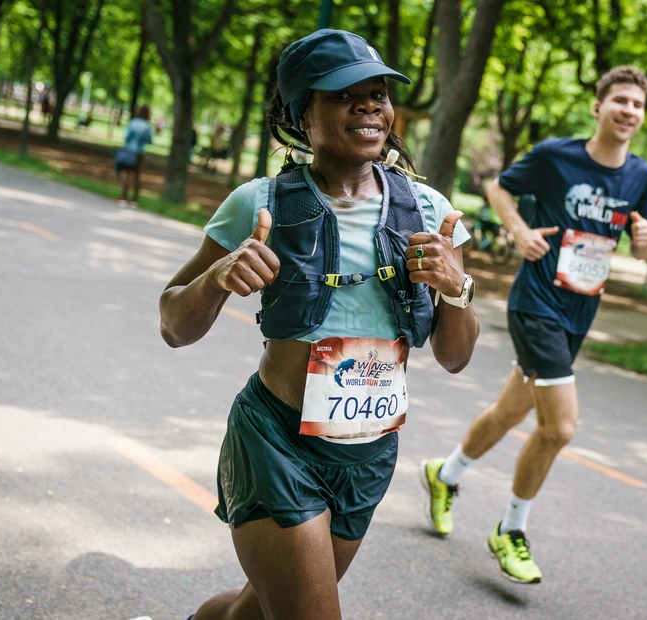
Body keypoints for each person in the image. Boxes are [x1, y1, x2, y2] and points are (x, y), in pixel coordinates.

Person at [159, 29, 478, 619]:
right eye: (342, 93)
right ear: (301, 113)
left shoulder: (431, 211)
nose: (368, 105)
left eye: (378, 92)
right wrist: (218, 277)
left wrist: (456, 288)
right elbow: (174, 322)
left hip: (369, 454)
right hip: (277, 442)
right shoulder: (260, 203)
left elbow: (456, 357)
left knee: (252, 612)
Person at [419, 65, 647, 584]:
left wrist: (644, 240)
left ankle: (446, 473)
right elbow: (499, 187)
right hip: (537, 304)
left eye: (637, 105)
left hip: (580, 310)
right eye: (619, 100)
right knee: (560, 427)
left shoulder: (641, 176)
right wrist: (521, 231)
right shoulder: (557, 156)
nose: (628, 111)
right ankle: (512, 529)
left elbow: (644, 244)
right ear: (599, 107)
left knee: (510, 412)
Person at [115, 105, 153, 208]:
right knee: (137, 176)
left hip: (129, 150)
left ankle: (123, 197)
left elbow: (126, 137)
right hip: (140, 152)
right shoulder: (148, 126)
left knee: (126, 173)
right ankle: (134, 200)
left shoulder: (133, 123)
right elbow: (149, 140)